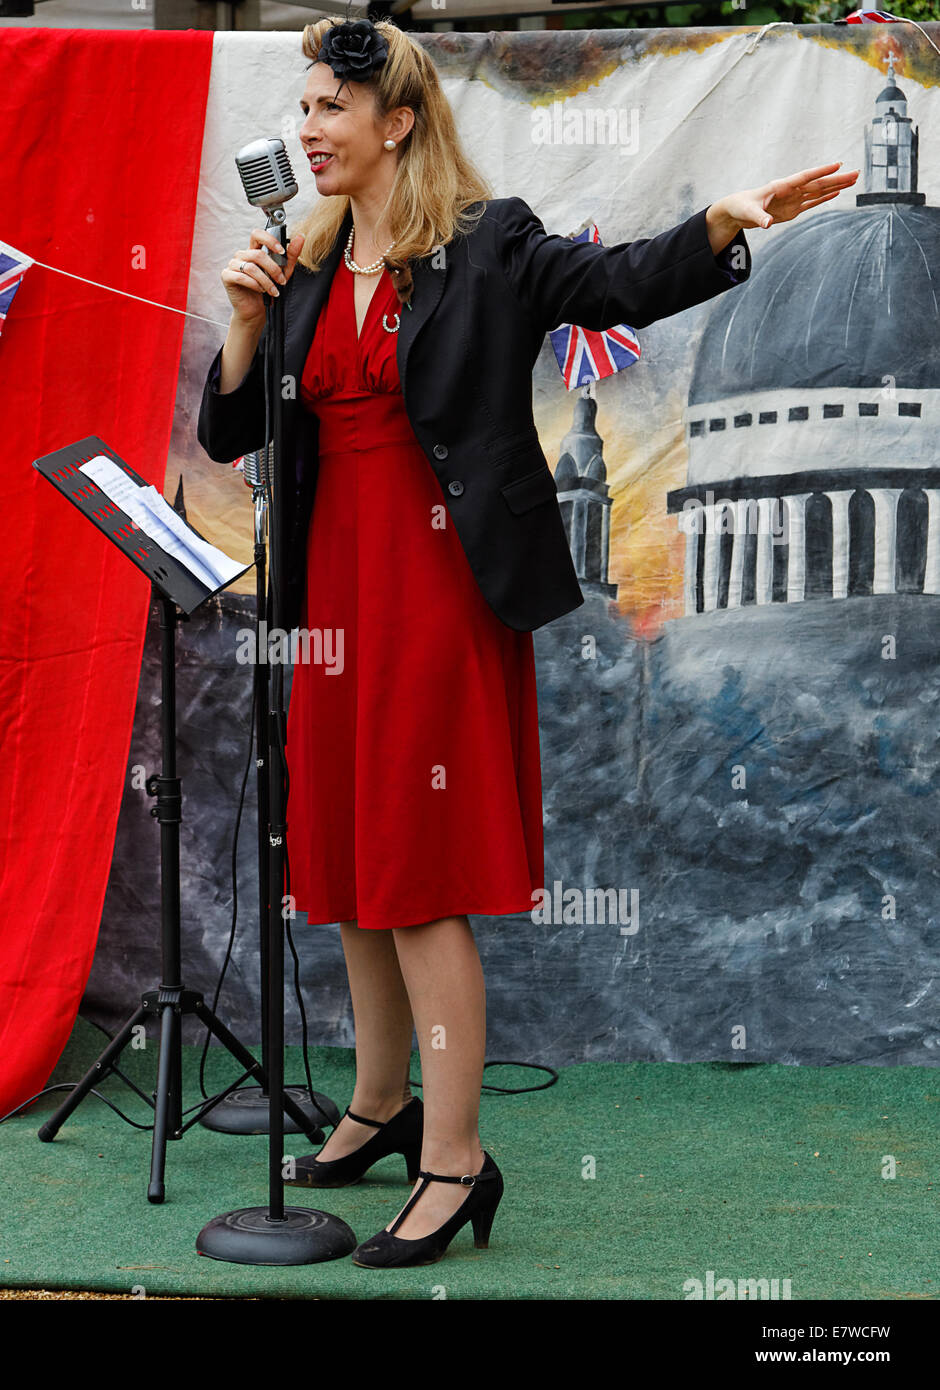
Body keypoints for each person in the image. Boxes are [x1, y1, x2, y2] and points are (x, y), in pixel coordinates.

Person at [196, 16, 856, 1268]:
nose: (308, 130)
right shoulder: (301, 259)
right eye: (304, 110)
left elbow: (611, 285)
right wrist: (242, 321)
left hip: (437, 596)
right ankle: (376, 1106)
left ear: (396, 120)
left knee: (422, 878)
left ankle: (455, 1164)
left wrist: (722, 222)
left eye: (330, 107)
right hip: (330, 603)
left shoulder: (486, 247)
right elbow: (235, 436)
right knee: (349, 866)